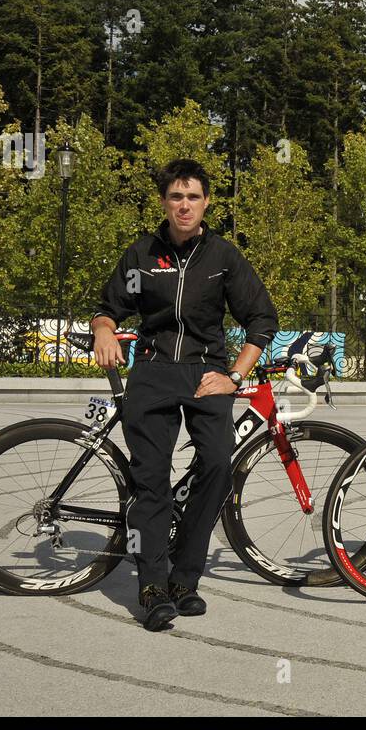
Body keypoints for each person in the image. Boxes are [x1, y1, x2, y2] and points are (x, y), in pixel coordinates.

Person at [91, 158, 278, 631]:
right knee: (151, 481)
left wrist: (235, 375)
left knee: (217, 462)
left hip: (206, 373)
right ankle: (153, 587)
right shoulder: (141, 254)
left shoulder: (222, 257)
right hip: (152, 373)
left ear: (206, 202)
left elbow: (261, 318)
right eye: (176, 197)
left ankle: (185, 579)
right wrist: (104, 331)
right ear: (164, 202)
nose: (185, 205)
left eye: (193, 197)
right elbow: (108, 308)